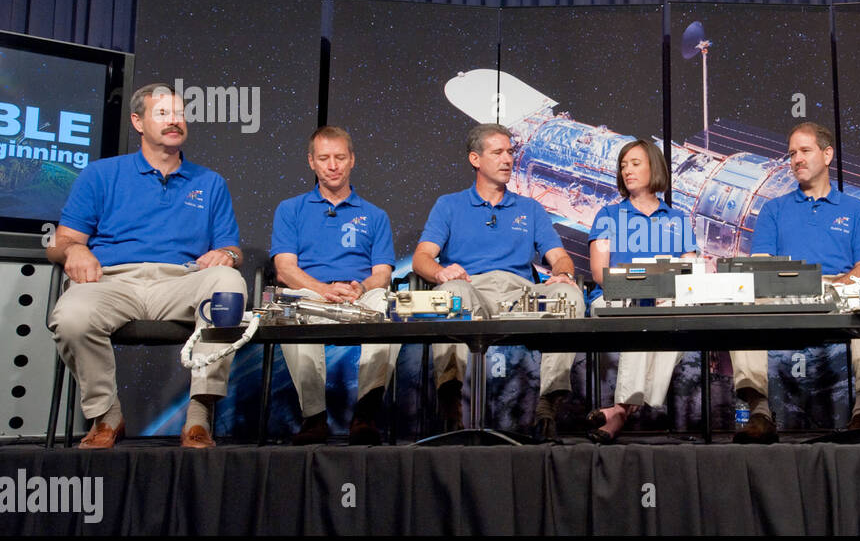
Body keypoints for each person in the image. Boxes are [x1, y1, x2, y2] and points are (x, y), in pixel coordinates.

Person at [46, 83, 246, 449]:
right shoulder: (101, 174)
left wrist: (228, 256)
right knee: (71, 316)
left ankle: (199, 415)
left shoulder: (210, 182)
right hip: (112, 282)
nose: (175, 121)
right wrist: (74, 250)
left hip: (181, 282)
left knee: (228, 282)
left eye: (180, 114)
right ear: (138, 122)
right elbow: (60, 242)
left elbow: (231, 247)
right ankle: (106, 416)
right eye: (163, 113)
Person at [413, 123, 585, 439]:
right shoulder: (449, 205)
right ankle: (451, 404)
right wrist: (440, 272)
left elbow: (560, 257)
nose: (507, 159)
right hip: (472, 290)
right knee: (450, 293)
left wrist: (563, 274)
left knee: (569, 296)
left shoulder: (530, 208)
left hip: (520, 297)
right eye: (498, 153)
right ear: (475, 159)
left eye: (510, 152)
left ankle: (548, 405)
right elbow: (421, 257)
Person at [729, 122, 860, 444]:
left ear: (827, 155)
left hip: (839, 288)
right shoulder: (774, 209)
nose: (796, 159)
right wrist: (788, 284)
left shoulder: (856, 210)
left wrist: (839, 286)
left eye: (805, 151)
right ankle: (759, 412)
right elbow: (762, 265)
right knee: (743, 301)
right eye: (792, 153)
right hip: (787, 288)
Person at [270, 126, 398, 445]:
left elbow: (382, 274)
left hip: (359, 296)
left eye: (340, 157)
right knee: (292, 307)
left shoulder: (375, 215)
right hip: (312, 294)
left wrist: (361, 288)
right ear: (311, 162)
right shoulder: (290, 209)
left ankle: (365, 415)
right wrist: (323, 290)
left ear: (352, 160)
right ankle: (314, 418)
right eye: (324, 158)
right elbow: (285, 269)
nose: (332, 166)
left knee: (389, 305)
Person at [586, 139, 696, 443]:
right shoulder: (608, 215)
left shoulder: (677, 219)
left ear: (654, 168)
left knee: (677, 311)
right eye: (623, 166)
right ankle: (627, 408)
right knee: (641, 310)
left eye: (635, 164)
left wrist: (664, 290)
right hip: (614, 300)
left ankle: (619, 412)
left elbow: (689, 272)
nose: (627, 171)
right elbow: (599, 274)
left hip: (663, 302)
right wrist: (640, 289)